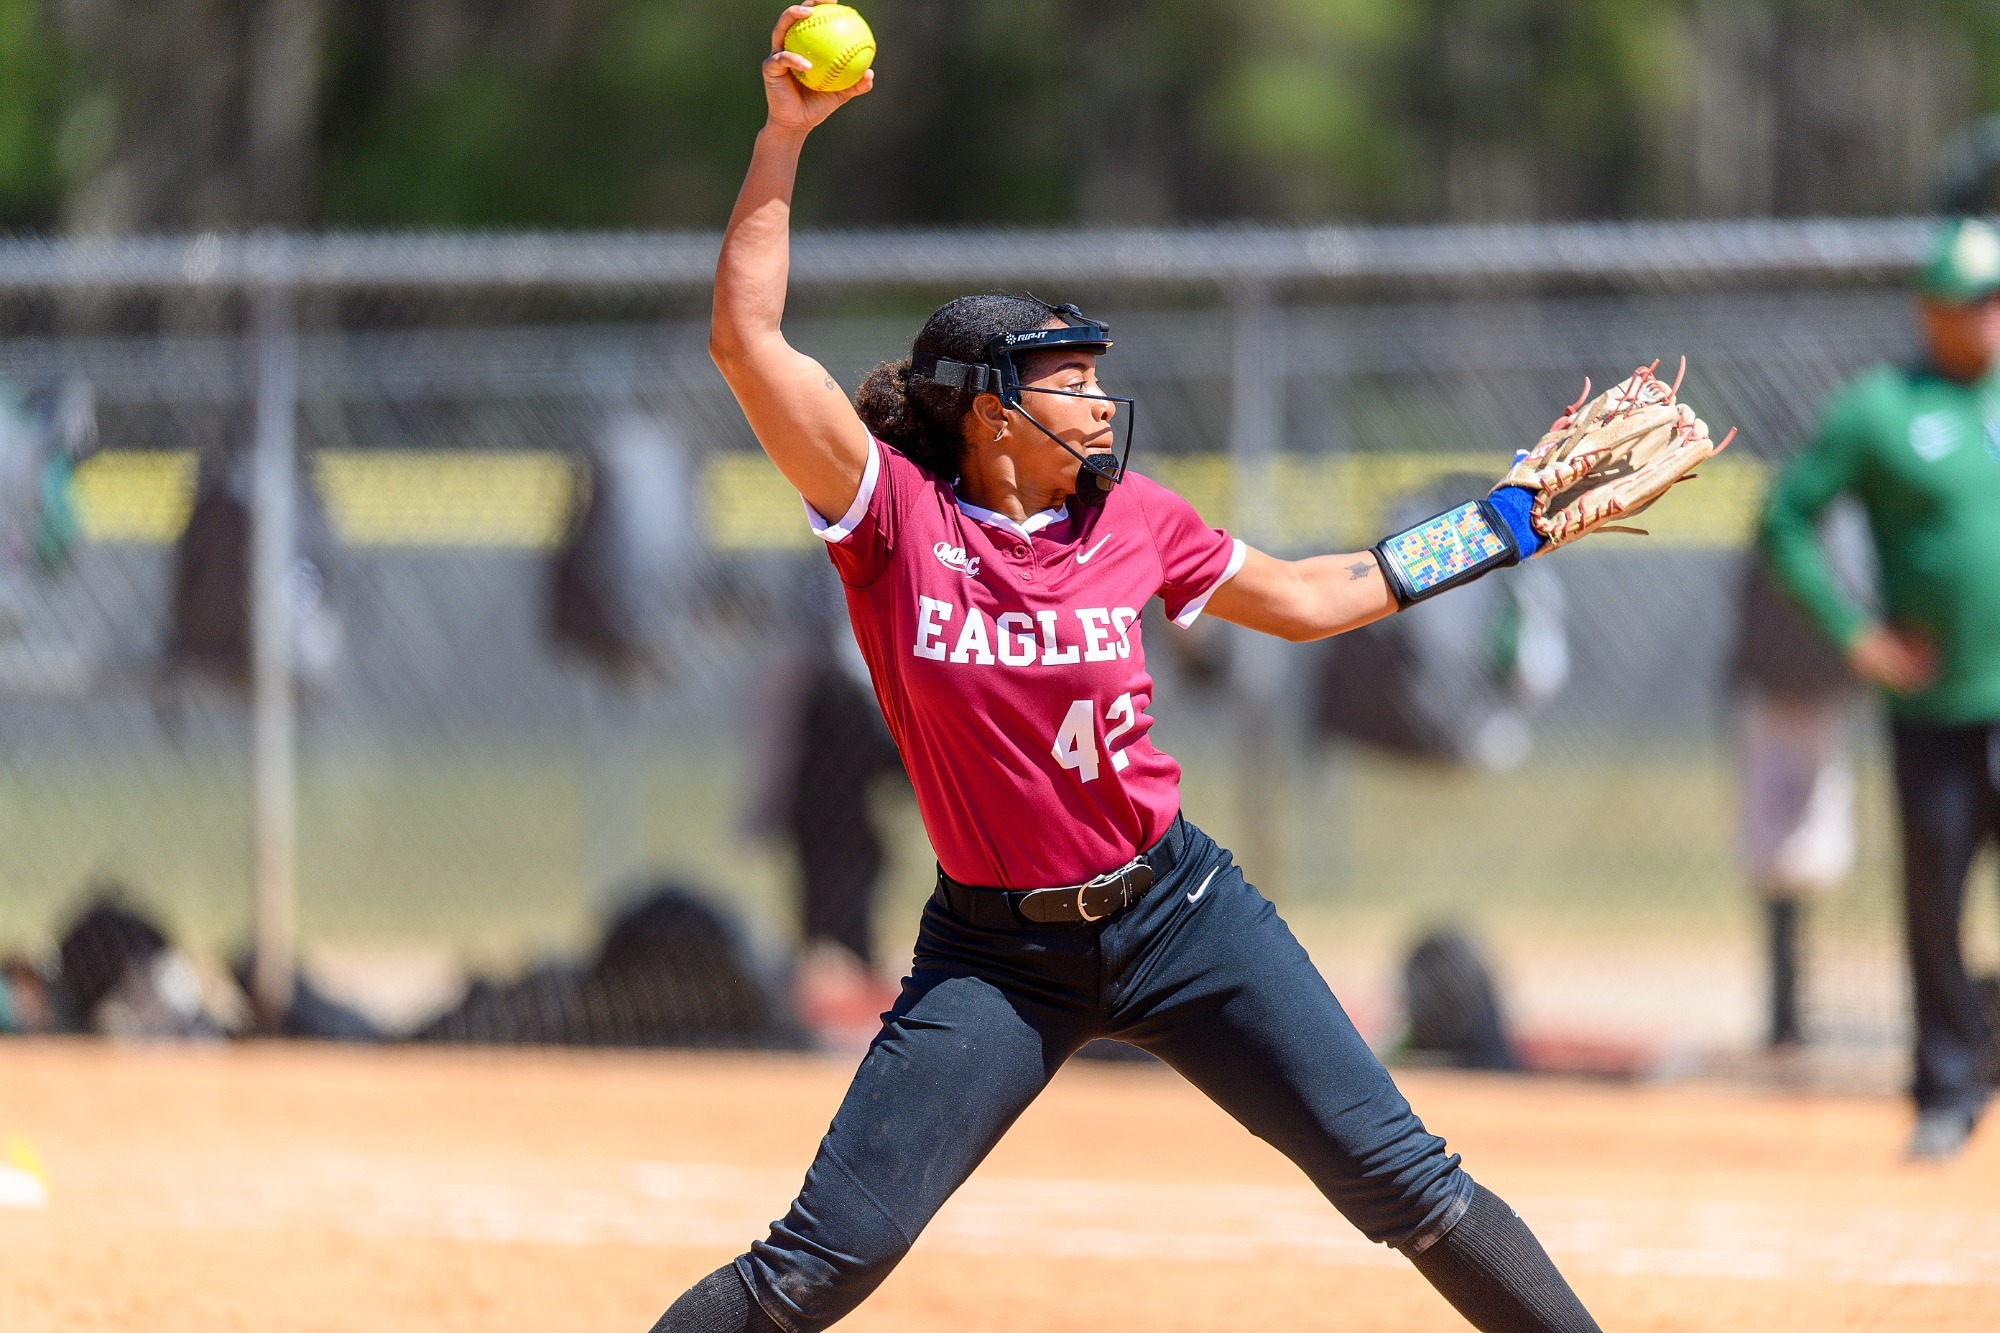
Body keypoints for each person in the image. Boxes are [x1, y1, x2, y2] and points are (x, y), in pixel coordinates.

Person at [656, 8, 1605, 1329]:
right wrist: (781, 140)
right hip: (998, 956)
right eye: (1069, 381)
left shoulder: (1133, 519)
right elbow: (748, 346)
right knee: (823, 1260)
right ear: (989, 410)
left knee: (1406, 1183)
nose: (1101, 402)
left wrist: (1494, 529)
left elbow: (1313, 597)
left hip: (1182, 913)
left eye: (1100, 377)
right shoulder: (893, 522)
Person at [1761, 215, 2000, 1160]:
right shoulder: (1881, 410)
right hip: (1938, 710)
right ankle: (1945, 1085)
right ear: (1928, 311)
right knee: (1934, 904)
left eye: (1996, 299)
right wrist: (1857, 637)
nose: (1986, 319)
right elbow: (1786, 517)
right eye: (1969, 302)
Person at [1726, 514, 1871, 1048]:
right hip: (1773, 701)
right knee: (1775, 856)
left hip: (1816, 706)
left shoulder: (1843, 530)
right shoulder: (1776, 526)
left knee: (1816, 853)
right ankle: (1785, 1009)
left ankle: (1793, 1006)